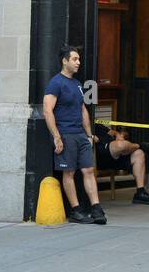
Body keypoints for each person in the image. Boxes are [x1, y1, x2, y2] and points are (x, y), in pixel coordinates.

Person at [43, 46, 107, 224]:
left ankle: (96, 208)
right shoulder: (56, 83)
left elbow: (82, 109)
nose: (78, 62)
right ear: (64, 61)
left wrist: (89, 134)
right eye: (75, 59)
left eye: (79, 59)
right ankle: (76, 210)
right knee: (69, 172)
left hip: (80, 134)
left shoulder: (78, 84)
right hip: (65, 133)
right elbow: (47, 110)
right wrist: (56, 136)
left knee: (88, 170)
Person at [96, 125, 149, 205]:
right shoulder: (79, 126)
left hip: (116, 153)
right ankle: (141, 146)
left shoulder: (95, 124)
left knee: (138, 153)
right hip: (100, 155)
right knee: (120, 145)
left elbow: (111, 132)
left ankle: (140, 192)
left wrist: (118, 135)